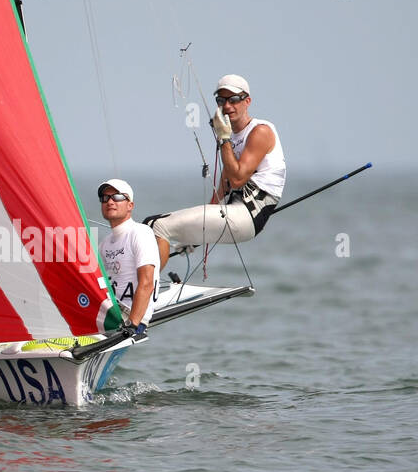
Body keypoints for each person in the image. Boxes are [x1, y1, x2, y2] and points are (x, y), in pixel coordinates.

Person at [148, 74, 286, 268]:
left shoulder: (260, 132)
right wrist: (196, 236)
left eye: (233, 99)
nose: (227, 106)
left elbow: (237, 179)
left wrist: (223, 137)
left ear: (247, 101)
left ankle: (145, 293)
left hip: (248, 215)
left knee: (158, 226)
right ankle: (137, 290)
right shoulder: (231, 136)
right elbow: (223, 188)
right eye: (221, 101)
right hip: (233, 212)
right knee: (150, 226)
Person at [96, 178, 158, 337]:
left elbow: (147, 283)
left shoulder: (140, 232)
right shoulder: (104, 244)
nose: (110, 202)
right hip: (109, 316)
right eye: (105, 198)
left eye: (117, 197)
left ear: (130, 205)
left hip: (129, 319)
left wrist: (132, 325)